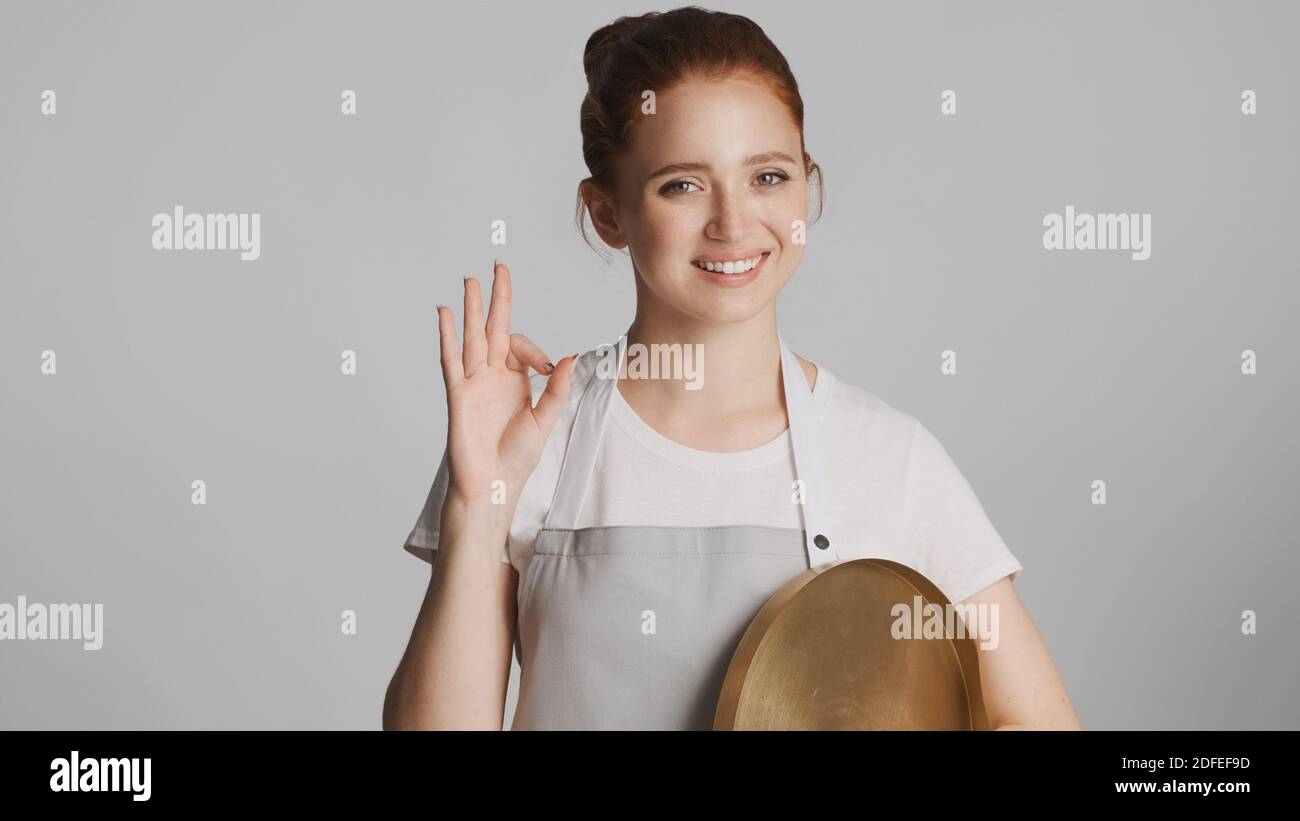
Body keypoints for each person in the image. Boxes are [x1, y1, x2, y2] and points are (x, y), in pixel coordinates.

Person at [383, 6, 1082, 731]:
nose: (734, 222)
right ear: (608, 214)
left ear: (808, 188)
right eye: (682, 184)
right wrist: (478, 507)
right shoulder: (531, 441)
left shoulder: (888, 460)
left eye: (769, 176)